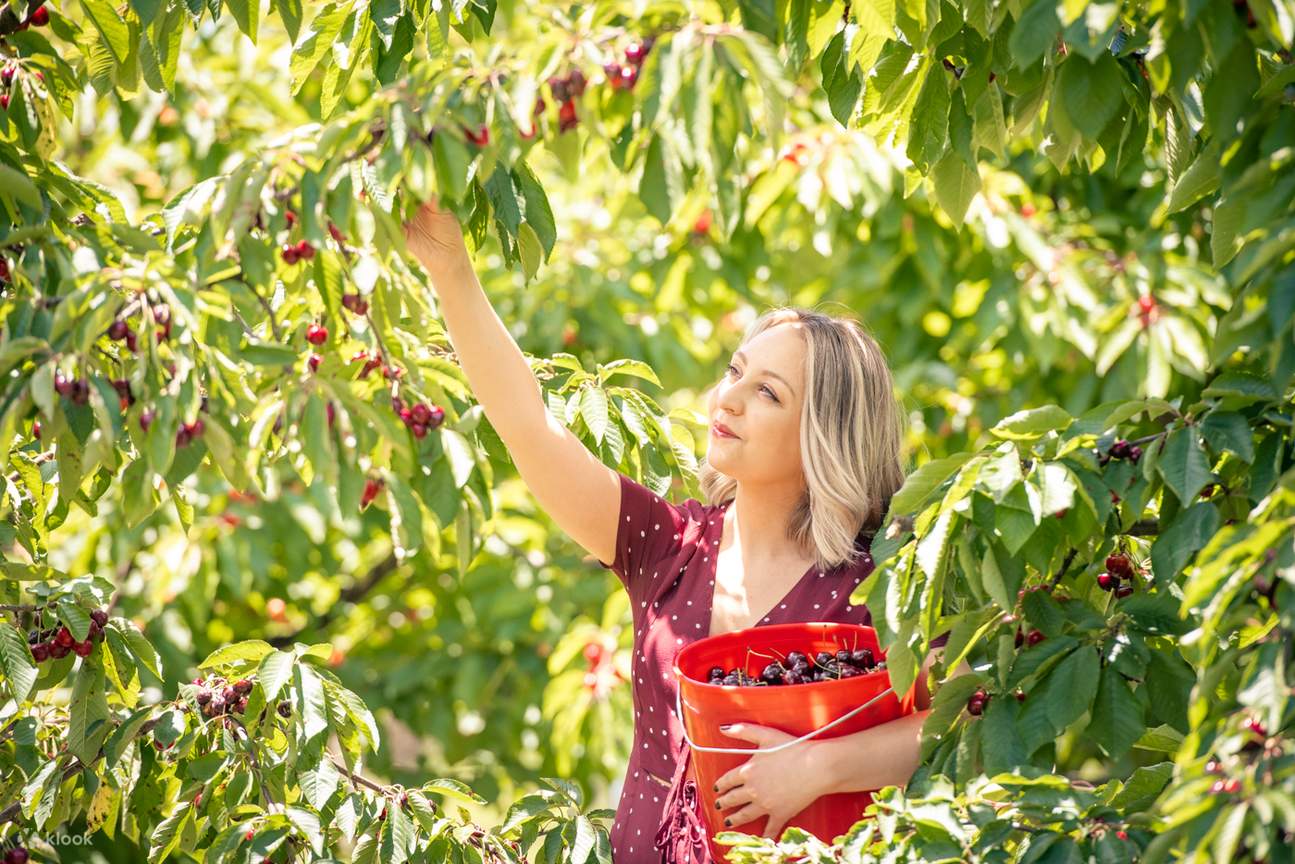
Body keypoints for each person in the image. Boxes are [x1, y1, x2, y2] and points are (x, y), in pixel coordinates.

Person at [403, 200, 969, 863]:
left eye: (767, 393)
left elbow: (960, 721)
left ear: (824, 433)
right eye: (734, 371)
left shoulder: (886, 577)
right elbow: (528, 424)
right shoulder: (666, 547)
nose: (726, 398)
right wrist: (449, 268)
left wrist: (819, 768)